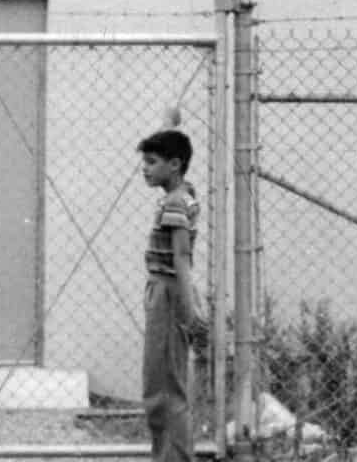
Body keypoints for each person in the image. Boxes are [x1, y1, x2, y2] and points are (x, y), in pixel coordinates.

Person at [137, 128, 209, 462]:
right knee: (162, 384)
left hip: (167, 293)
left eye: (152, 162)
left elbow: (181, 257)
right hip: (163, 290)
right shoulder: (182, 193)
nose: (145, 168)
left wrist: (188, 306)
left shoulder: (176, 203)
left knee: (163, 389)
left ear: (175, 164)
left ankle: (174, 458)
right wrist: (170, 121)